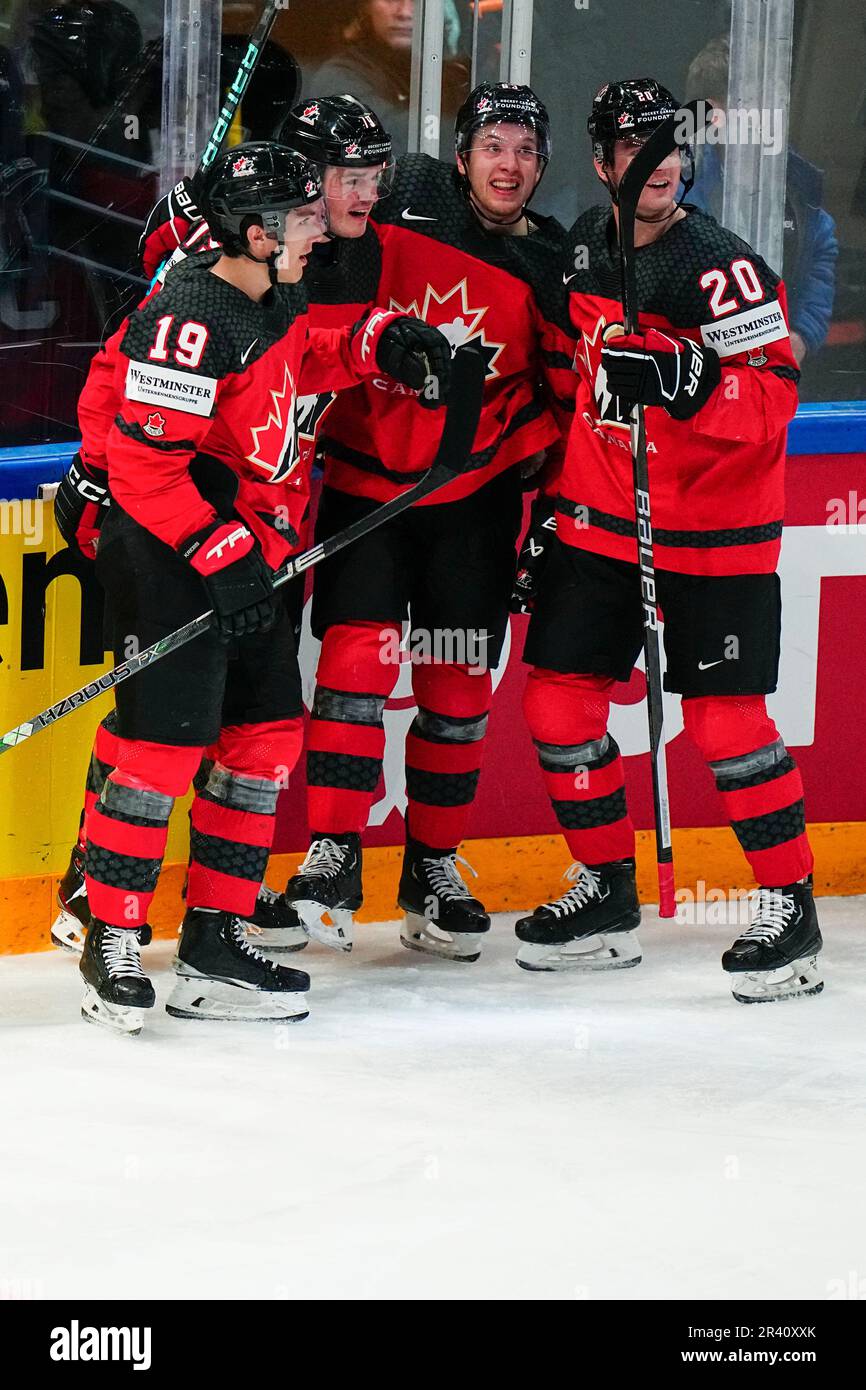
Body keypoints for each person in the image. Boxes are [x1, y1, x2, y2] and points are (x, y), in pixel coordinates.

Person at [73, 139, 452, 1034]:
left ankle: (214, 943)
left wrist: (374, 341)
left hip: (239, 558)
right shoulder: (190, 317)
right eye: (301, 217)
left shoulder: (267, 295)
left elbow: (295, 359)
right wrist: (221, 556)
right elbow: (143, 468)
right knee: (158, 752)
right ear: (253, 230)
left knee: (264, 740)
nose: (318, 228)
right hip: (171, 561)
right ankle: (111, 942)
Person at [513, 80, 822, 1005]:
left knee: (726, 725)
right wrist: (554, 513)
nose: (662, 165)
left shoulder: (720, 267)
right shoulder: (582, 249)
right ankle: (606, 893)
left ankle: (789, 909)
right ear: (605, 163)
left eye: (672, 147)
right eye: (638, 148)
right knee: (557, 711)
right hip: (601, 527)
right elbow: (575, 393)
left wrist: (696, 380)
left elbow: (774, 403)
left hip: (716, 537)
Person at [280, 83, 575, 963]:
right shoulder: (398, 191)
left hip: (471, 508)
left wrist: (552, 510)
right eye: (493, 146)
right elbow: (306, 194)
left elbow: (566, 394)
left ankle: (432, 870)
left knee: (453, 691)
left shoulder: (548, 264)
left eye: (525, 151)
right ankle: (333, 856)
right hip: (370, 494)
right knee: (352, 668)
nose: (509, 166)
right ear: (460, 154)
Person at [685, 35, 838, 367]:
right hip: (702, 373)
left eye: (764, 101)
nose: (759, 114)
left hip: (778, 374)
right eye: (744, 103)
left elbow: (820, 252)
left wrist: (802, 334)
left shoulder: (797, 183)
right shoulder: (681, 188)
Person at [312, 0, 470, 157]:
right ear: (365, 7)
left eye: (418, 2)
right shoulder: (339, 75)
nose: (404, 13)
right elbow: (390, 137)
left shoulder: (452, 75)